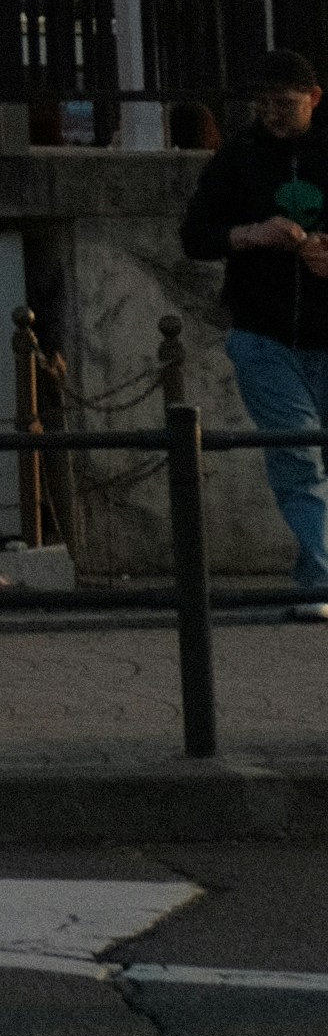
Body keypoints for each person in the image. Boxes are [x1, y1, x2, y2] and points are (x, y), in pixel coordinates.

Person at [183, 50, 328, 619]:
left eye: (286, 104)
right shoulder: (237, 156)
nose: (274, 115)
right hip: (263, 334)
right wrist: (252, 235)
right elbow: (196, 235)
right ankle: (319, 584)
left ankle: (317, 575)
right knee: (296, 454)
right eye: (264, 104)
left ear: (314, 98)